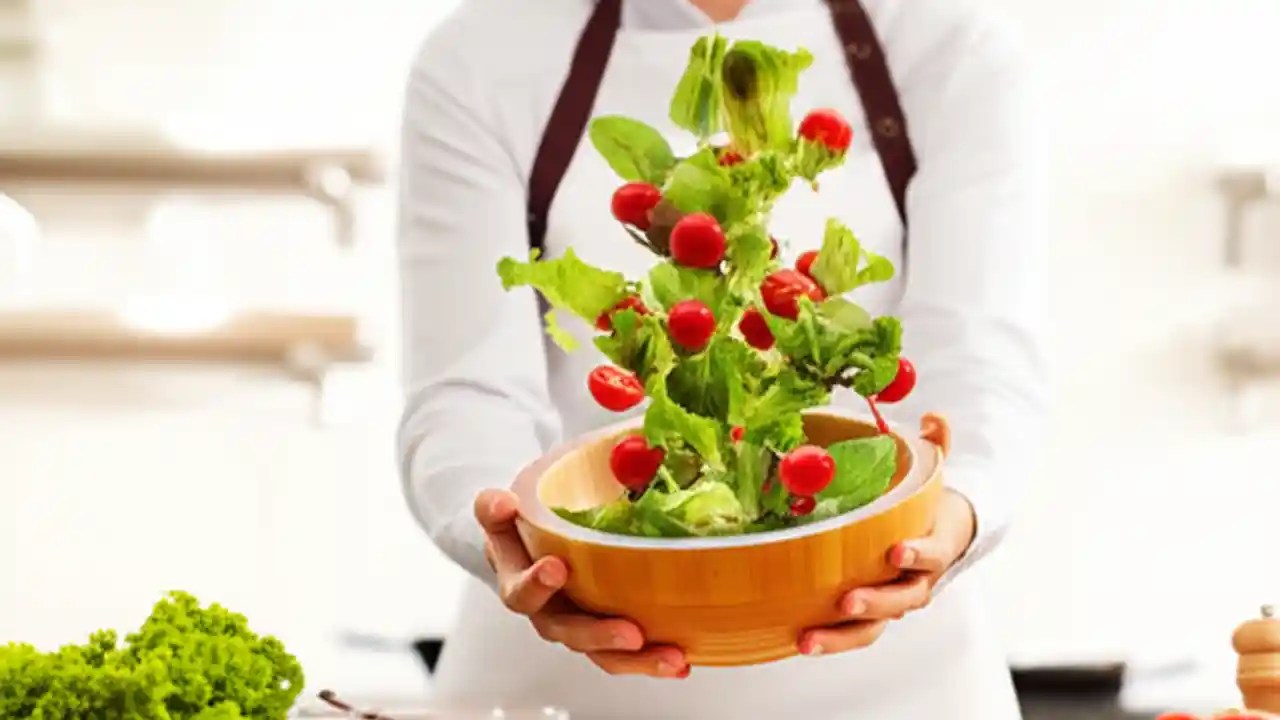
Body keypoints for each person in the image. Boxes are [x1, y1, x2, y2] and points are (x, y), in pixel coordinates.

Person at [396, 0, 1047, 717]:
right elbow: (464, 395)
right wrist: (504, 535)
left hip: (896, 677)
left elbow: (979, 364)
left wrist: (957, 512)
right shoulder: (483, 54)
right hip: (565, 664)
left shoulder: (948, 44)